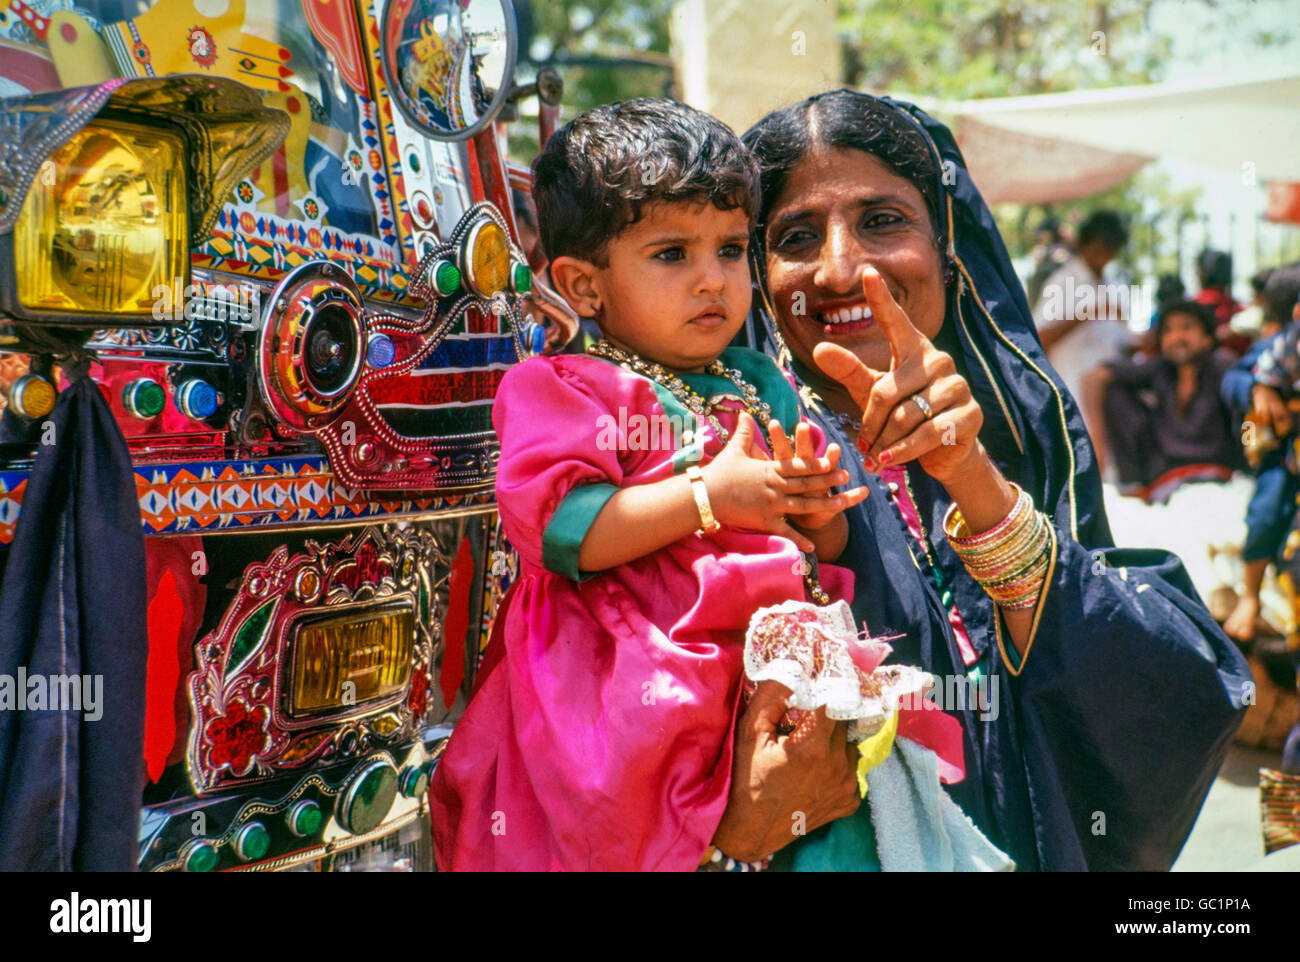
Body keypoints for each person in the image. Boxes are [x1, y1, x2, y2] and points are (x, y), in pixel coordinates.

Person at [739, 89, 1249, 871]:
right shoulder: (727, 462)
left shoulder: (1021, 441)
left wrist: (970, 476)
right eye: (798, 236)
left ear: (946, 246)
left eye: (882, 220)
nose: (841, 269)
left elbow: (1165, 691)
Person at [429, 99, 874, 871]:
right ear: (584, 284)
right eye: (672, 255)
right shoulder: (566, 385)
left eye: (731, 250)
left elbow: (821, 543)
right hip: (625, 685)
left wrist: (811, 499)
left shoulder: (756, 381)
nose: (713, 282)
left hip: (763, 670)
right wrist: (709, 497)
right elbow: (563, 530)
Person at [1082, 300, 1240, 497]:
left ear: (1207, 338)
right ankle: (1135, 484)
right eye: (1168, 330)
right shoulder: (1159, 368)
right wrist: (1096, 443)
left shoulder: (1224, 367)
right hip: (1166, 476)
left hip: (1218, 472)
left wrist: (1251, 455)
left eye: (1187, 328)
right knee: (1115, 391)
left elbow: (1248, 418)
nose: (1176, 337)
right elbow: (1094, 377)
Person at [1221, 264, 1300, 642]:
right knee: (1268, 508)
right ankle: (1250, 596)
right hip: (1286, 459)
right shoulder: (1278, 347)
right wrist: (1259, 391)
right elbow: (1232, 379)